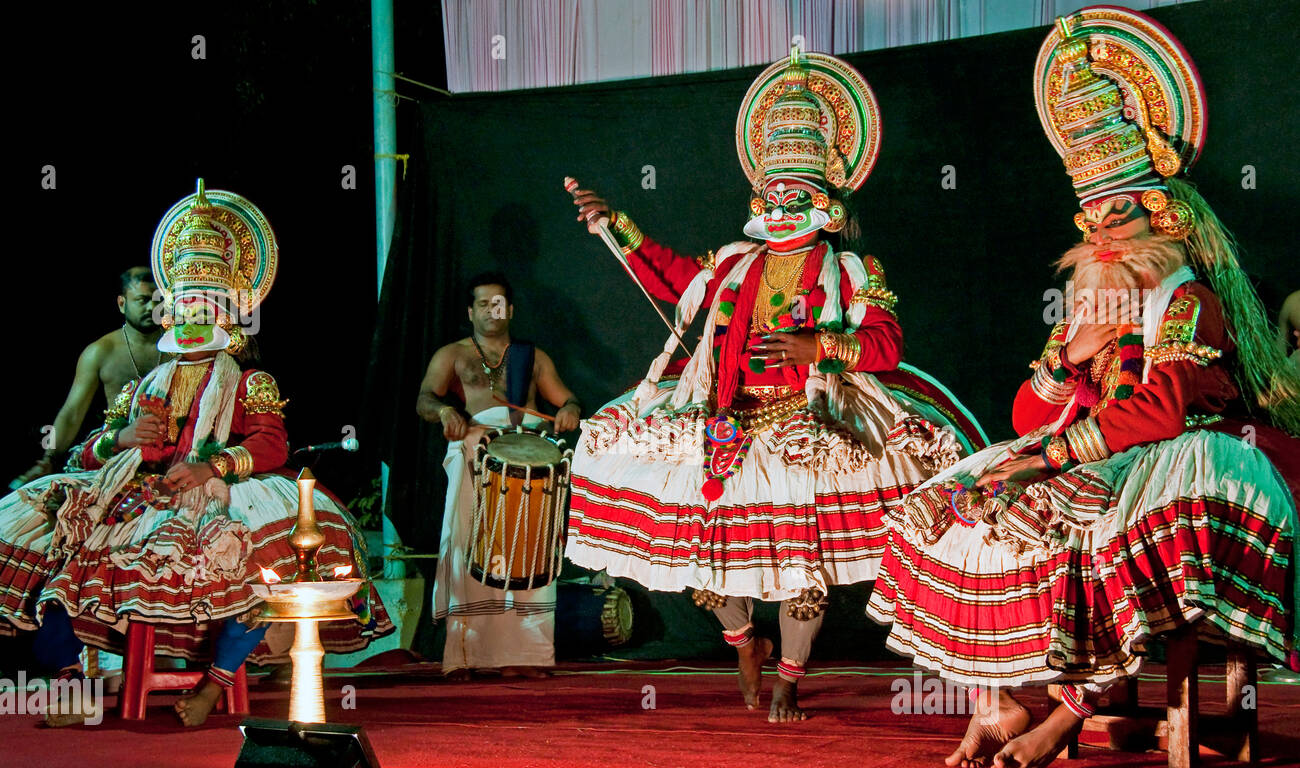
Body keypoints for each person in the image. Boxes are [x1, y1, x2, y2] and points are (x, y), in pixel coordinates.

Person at [867, 7, 1300, 768]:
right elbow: (1023, 415)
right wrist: (1069, 361)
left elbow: (1164, 408)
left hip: (1181, 455)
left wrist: (1049, 459)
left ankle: (1069, 717)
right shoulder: (1087, 310)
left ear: (1161, 212)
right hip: (1094, 452)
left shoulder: (1187, 300)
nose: (1101, 235)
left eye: (1119, 214)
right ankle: (996, 700)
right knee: (956, 513)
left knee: (1094, 536)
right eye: (1090, 216)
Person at [567, 50, 985, 723]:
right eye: (774, 196)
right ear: (759, 199)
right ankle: (745, 641)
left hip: (809, 427)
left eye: (797, 196)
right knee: (701, 566)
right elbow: (674, 280)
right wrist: (614, 225)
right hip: (726, 422)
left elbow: (886, 346)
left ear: (825, 201)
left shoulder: (852, 269)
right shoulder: (736, 263)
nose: (782, 206)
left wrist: (816, 345)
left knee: (800, 571)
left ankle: (790, 675)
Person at [0, 181, 391, 726]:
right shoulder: (145, 387)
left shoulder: (250, 379)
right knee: (60, 559)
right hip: (139, 498)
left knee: (260, 575)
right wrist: (119, 439)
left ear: (228, 314)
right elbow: (86, 454)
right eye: (182, 304)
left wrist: (212, 465)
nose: (189, 315)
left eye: (203, 306)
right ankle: (70, 685)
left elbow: (271, 444)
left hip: (220, 496)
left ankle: (213, 685)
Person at [418, 271, 582, 679]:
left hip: (529, 462)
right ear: (470, 311)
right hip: (476, 455)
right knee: (468, 545)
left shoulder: (534, 356)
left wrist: (569, 410)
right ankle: (465, 655)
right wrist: (444, 412)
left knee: (529, 547)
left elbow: (568, 399)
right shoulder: (452, 354)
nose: (493, 310)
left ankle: (525, 655)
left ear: (511, 310)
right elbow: (425, 397)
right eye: (484, 303)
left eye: (500, 303)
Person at [9, 267, 167, 490]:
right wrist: (49, 458)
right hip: (115, 452)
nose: (152, 307)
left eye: (157, 300)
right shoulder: (101, 352)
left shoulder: (180, 346)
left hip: (171, 451)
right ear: (122, 304)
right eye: (142, 300)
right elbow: (71, 413)